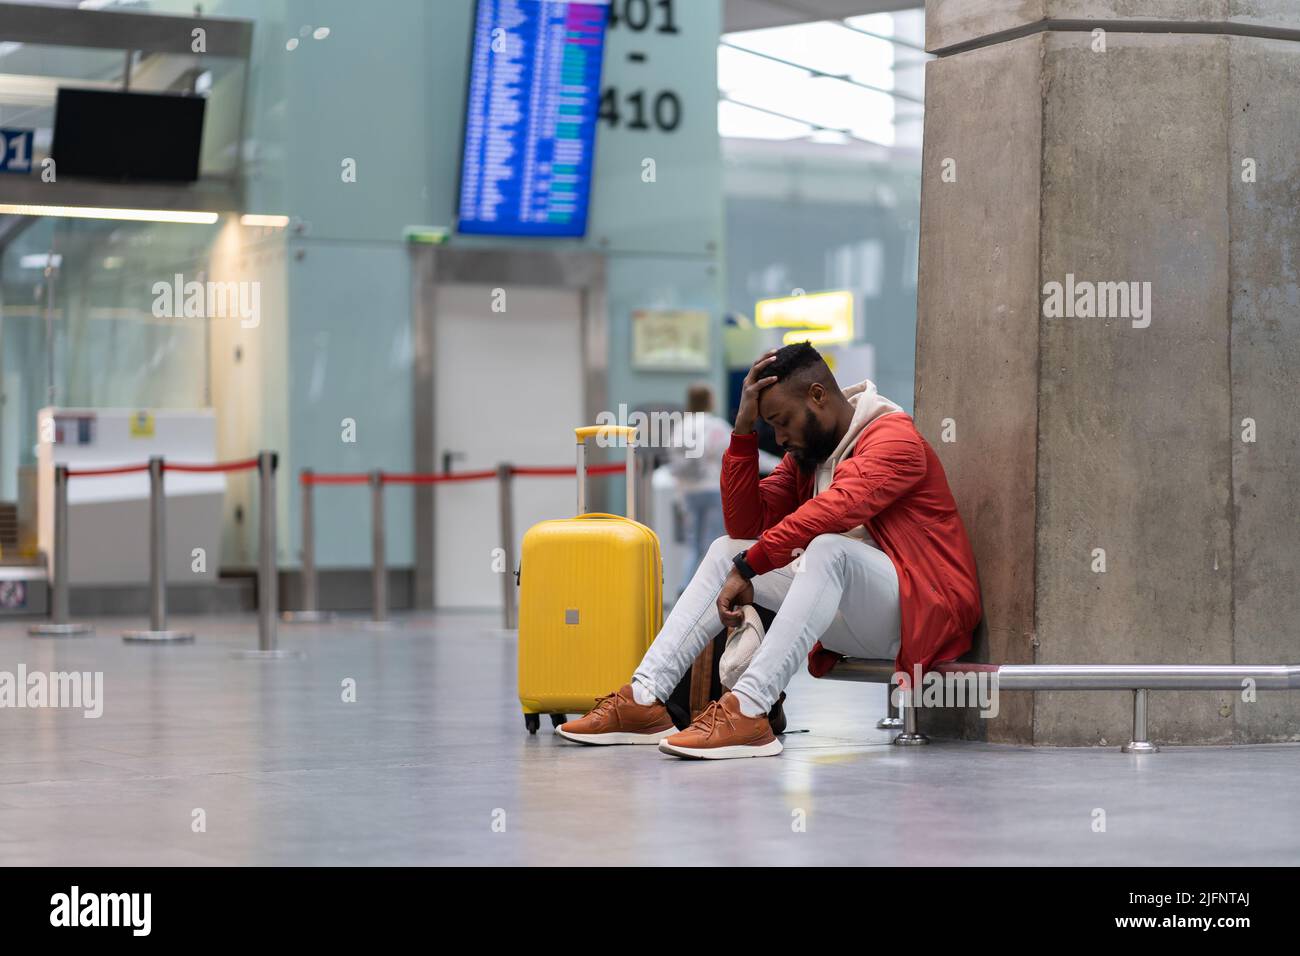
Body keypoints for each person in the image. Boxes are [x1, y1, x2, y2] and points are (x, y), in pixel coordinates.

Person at [557, 342, 982, 759]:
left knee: (826, 547)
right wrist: (741, 432)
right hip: (849, 612)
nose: (778, 438)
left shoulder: (894, 440)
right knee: (727, 549)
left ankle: (749, 709)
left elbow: (830, 512)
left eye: (781, 421)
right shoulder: (808, 457)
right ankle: (645, 699)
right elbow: (744, 526)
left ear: (817, 396)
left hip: (920, 611)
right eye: (770, 427)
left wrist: (751, 567)